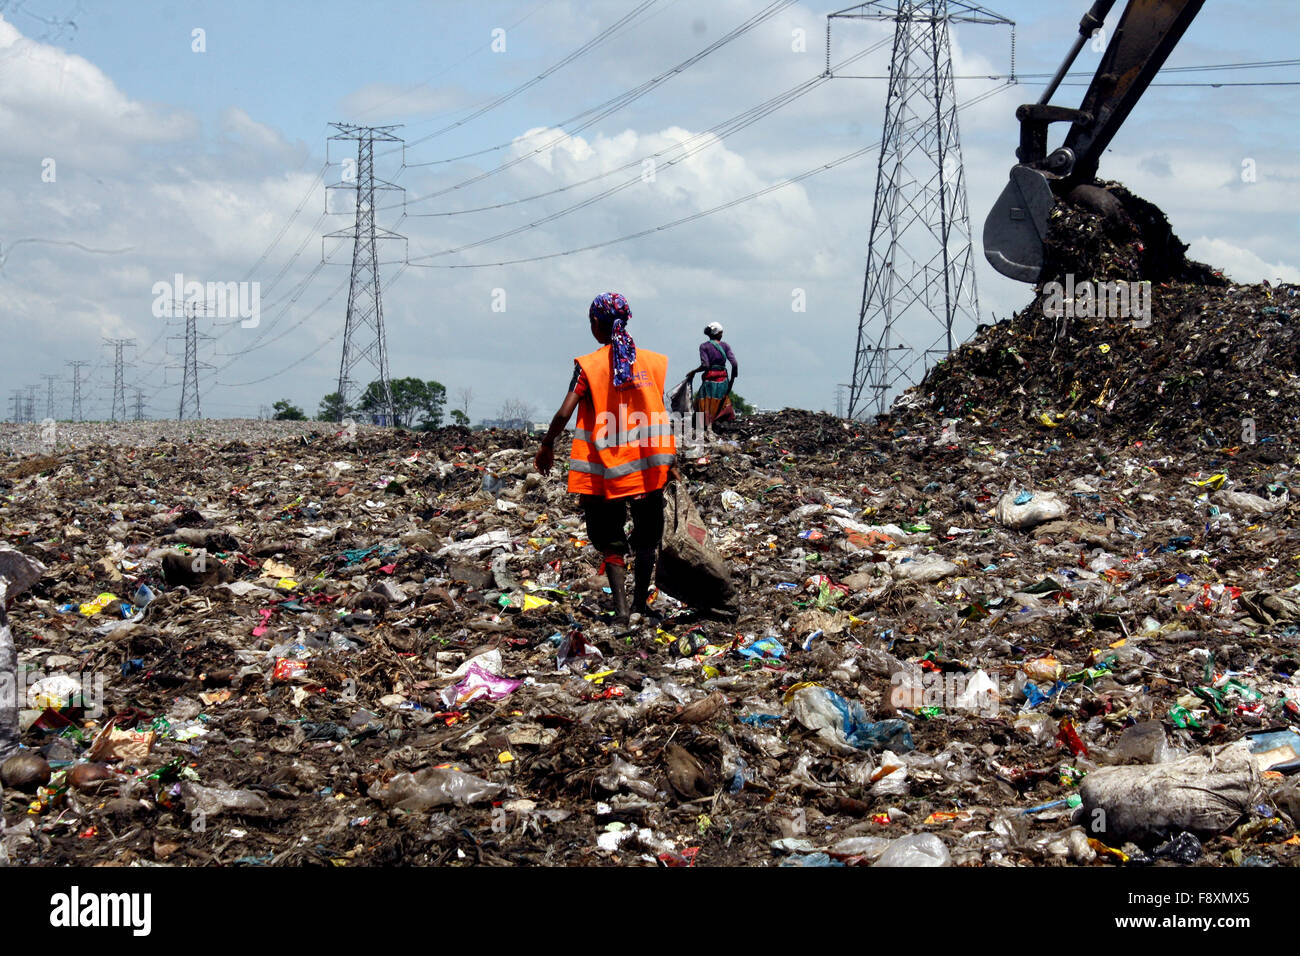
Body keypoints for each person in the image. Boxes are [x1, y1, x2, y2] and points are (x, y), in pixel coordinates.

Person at [534, 293, 677, 623]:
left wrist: (547, 444)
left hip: (605, 471)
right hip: (649, 466)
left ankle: (622, 612)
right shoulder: (654, 363)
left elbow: (564, 412)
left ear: (597, 325)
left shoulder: (589, 366)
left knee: (611, 541)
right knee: (646, 538)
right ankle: (642, 606)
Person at [689, 321, 738, 434]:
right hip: (723, 379)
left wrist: (694, 371)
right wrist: (732, 379)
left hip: (709, 379)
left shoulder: (704, 346)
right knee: (721, 402)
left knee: (704, 403)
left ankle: (706, 426)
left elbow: (705, 365)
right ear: (718, 334)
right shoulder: (725, 346)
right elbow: (734, 363)